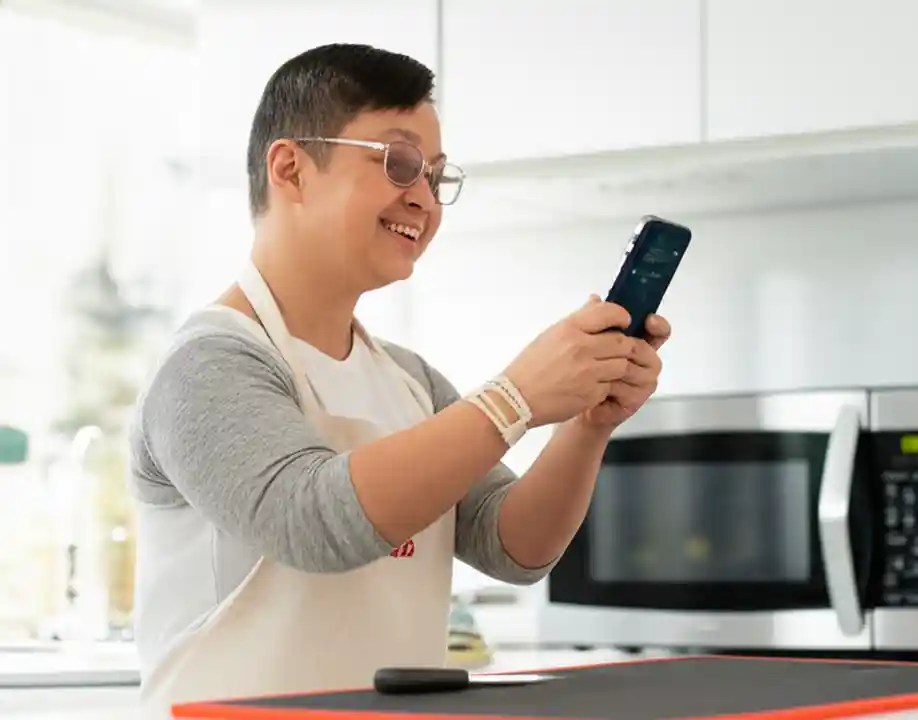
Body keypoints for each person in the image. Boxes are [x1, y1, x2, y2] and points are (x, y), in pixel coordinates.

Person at [127, 43, 670, 711]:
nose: (424, 199)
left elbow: (515, 548)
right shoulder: (207, 365)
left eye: (435, 176)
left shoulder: (410, 380)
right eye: (399, 163)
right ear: (291, 169)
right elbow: (313, 521)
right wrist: (516, 398)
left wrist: (590, 423)